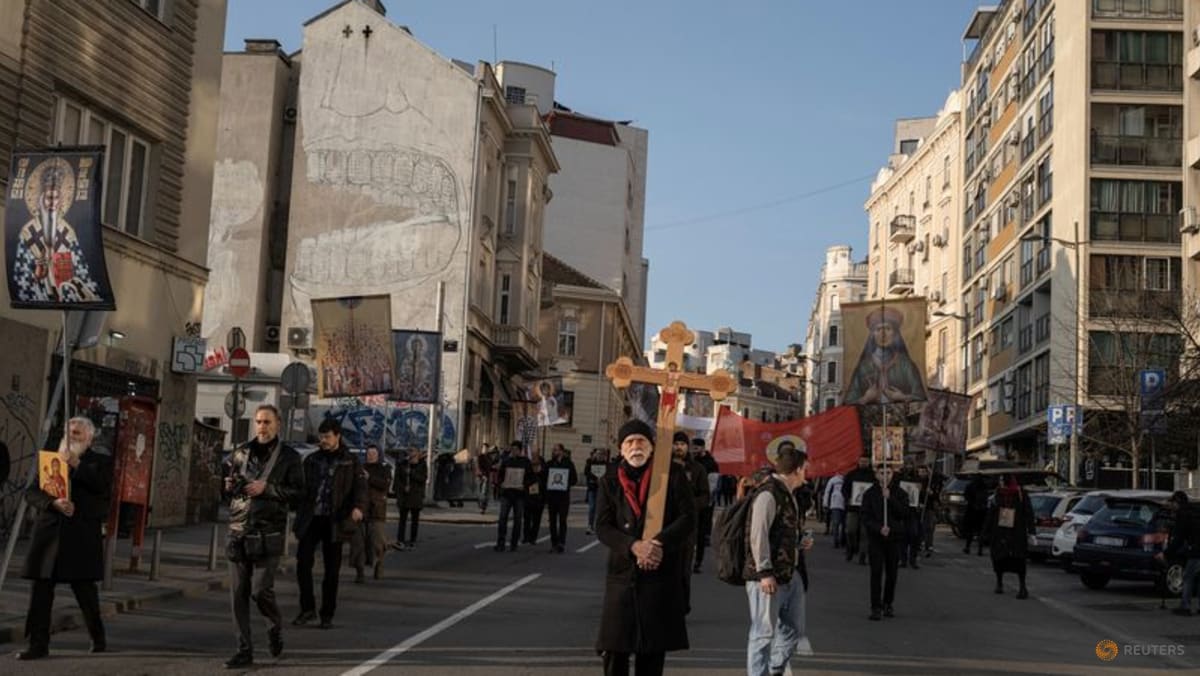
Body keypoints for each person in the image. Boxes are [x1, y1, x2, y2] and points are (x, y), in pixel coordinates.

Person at [595, 419, 695, 676]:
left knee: (651, 651)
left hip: (659, 572)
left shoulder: (671, 474)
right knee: (615, 648)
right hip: (622, 573)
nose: (635, 446)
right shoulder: (609, 479)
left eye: (641, 441)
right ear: (621, 449)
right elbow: (602, 526)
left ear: (652, 447)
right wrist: (633, 546)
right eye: (629, 442)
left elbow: (688, 518)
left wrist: (658, 543)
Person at [16, 416, 112, 661]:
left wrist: (77, 464)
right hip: (49, 537)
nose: (71, 438)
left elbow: (101, 486)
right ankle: (38, 644)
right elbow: (32, 492)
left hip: (79, 539)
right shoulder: (50, 459)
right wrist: (53, 503)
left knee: (85, 594)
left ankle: (97, 636)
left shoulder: (98, 461)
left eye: (77, 434)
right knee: (40, 593)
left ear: (89, 439)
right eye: (69, 433)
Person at [219, 405, 304, 668]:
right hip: (239, 532)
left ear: (278, 423)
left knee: (260, 591)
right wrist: (228, 488)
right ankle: (244, 650)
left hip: (270, 532)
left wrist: (269, 489)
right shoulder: (241, 452)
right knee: (238, 594)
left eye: (267, 422)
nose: (262, 427)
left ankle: (274, 627)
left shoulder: (289, 457)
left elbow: (299, 494)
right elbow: (227, 495)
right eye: (258, 422)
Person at [743, 445, 813, 676]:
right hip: (768, 578)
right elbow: (758, 534)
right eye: (805, 468)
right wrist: (764, 572)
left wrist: (799, 542)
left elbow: (782, 530)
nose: (807, 473)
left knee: (794, 629)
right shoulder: (768, 493)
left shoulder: (788, 494)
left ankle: (774, 669)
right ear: (797, 469)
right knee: (763, 634)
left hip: (790, 573)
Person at [292, 419, 367, 630]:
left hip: (335, 521)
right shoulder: (312, 460)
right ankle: (307, 608)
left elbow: (360, 488)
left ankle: (327, 614)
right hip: (311, 519)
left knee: (331, 571)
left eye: (327, 437)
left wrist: (358, 507)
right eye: (321, 437)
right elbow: (301, 487)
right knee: (302, 563)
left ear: (337, 436)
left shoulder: (349, 461)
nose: (323, 440)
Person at [12, 158, 104, 304]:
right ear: (40, 199)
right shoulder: (28, 232)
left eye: (56, 198)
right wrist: (36, 275)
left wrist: (73, 283)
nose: (52, 204)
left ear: (61, 200)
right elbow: (19, 278)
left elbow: (81, 271)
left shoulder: (67, 233)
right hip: (38, 297)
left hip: (64, 295)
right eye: (49, 198)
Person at [844, 306, 927, 405]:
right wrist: (865, 399)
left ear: (895, 334)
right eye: (878, 329)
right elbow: (848, 402)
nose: (883, 334)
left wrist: (903, 397)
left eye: (888, 328)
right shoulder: (863, 367)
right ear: (872, 335)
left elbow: (921, 396)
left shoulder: (906, 365)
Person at [862, 467, 909, 621]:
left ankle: (888, 603)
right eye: (881, 473)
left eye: (888, 473)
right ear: (876, 474)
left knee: (892, 573)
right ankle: (875, 607)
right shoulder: (869, 494)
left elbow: (904, 513)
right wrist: (878, 528)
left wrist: (890, 498)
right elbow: (866, 517)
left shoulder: (900, 493)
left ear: (892, 474)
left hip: (894, 538)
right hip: (876, 538)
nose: (885, 476)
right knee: (876, 572)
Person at [671, 431, 709, 611]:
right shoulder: (663, 466)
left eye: (682, 444)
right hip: (665, 523)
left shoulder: (697, 469)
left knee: (684, 567)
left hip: (687, 525)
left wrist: (689, 504)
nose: (679, 447)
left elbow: (705, 496)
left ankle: (683, 604)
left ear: (687, 447)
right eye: (676, 444)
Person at [985, 474, 1035, 598]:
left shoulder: (1020, 494)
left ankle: (1022, 586)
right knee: (998, 558)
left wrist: (1032, 531)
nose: (1000, 482)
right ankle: (999, 582)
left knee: (1019, 560)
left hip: (1016, 533)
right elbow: (991, 513)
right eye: (1000, 480)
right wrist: (985, 531)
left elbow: (1028, 512)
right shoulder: (997, 494)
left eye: (1002, 480)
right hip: (1000, 532)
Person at [352, 444, 391, 580]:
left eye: (374, 453)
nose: (371, 456)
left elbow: (385, 485)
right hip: (361, 510)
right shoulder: (360, 469)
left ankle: (379, 563)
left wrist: (370, 478)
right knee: (358, 543)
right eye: (369, 453)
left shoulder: (384, 469)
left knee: (377, 542)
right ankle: (360, 571)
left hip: (377, 510)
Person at [1158, 491, 1200, 615]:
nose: (1172, 506)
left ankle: (1185, 606)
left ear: (1178, 502)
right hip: (1197, 547)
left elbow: (1178, 538)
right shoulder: (1196, 510)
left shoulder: (1183, 515)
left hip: (1196, 549)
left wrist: (1166, 553)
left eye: (1173, 503)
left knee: (1188, 577)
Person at [496, 441, 533, 551]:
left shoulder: (525, 462)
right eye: (512, 449)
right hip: (507, 494)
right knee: (503, 518)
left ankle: (514, 543)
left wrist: (524, 486)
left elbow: (531, 477)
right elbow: (501, 476)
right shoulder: (507, 461)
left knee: (517, 520)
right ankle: (501, 542)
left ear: (520, 450)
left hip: (519, 495)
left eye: (516, 449)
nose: (514, 451)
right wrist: (501, 483)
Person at [841, 456, 876, 565]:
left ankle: (862, 555)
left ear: (869, 462)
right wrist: (848, 498)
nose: (863, 463)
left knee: (865, 533)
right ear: (858, 462)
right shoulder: (851, 474)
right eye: (862, 461)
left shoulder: (873, 476)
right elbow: (844, 489)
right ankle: (851, 548)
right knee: (850, 530)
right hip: (853, 508)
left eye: (866, 461)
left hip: (867, 510)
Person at [692, 437, 719, 573]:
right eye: (693, 447)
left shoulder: (711, 464)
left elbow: (713, 484)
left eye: (696, 448)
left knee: (700, 533)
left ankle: (698, 561)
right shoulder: (691, 461)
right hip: (690, 502)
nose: (694, 450)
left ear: (702, 448)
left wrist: (707, 501)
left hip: (704, 503)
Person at [546, 443, 579, 553]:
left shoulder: (568, 464)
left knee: (562, 520)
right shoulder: (550, 464)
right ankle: (553, 543)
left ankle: (561, 543)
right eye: (553, 450)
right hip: (552, 496)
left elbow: (574, 479)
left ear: (561, 451)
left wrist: (566, 483)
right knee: (552, 521)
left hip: (563, 497)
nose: (554, 452)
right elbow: (544, 478)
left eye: (556, 450)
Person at [393, 448, 427, 550]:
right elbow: (397, 480)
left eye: (413, 451)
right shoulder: (402, 464)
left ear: (417, 453)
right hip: (404, 496)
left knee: (414, 519)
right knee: (402, 519)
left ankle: (413, 540)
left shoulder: (422, 465)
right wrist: (400, 490)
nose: (411, 454)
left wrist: (412, 472)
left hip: (415, 496)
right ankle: (400, 540)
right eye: (409, 451)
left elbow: (422, 479)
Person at [523, 453, 548, 544]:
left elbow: (546, 482)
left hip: (539, 497)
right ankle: (526, 536)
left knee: (536, 519)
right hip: (529, 496)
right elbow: (524, 480)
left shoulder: (543, 469)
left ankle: (533, 537)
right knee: (527, 518)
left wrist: (540, 473)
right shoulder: (528, 468)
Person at [962, 474, 989, 556]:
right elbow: (986, 497)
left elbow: (966, 496)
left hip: (972, 510)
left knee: (970, 530)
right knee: (980, 530)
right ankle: (980, 550)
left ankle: (967, 547)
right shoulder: (984, 486)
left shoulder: (970, 485)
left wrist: (971, 503)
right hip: (981, 511)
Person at [585, 448, 611, 534]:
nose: (599, 455)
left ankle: (599, 526)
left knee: (600, 509)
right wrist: (594, 479)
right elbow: (586, 472)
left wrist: (603, 480)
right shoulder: (590, 463)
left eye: (601, 454)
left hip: (602, 489)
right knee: (592, 507)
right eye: (598, 454)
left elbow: (609, 475)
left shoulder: (606, 464)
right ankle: (590, 525)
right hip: (592, 488)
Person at [824, 472, 846, 548]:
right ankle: (836, 540)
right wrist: (826, 503)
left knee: (844, 524)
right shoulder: (833, 480)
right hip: (835, 504)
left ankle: (842, 540)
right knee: (836, 523)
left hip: (845, 504)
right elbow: (827, 491)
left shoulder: (847, 480)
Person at [476, 442, 495, 513]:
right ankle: (481, 505)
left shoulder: (489, 457)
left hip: (488, 476)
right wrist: (482, 475)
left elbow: (490, 467)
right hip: (482, 477)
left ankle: (484, 507)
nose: (485, 450)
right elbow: (479, 467)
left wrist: (494, 468)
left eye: (486, 448)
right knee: (481, 492)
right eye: (484, 448)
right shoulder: (480, 457)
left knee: (486, 493)